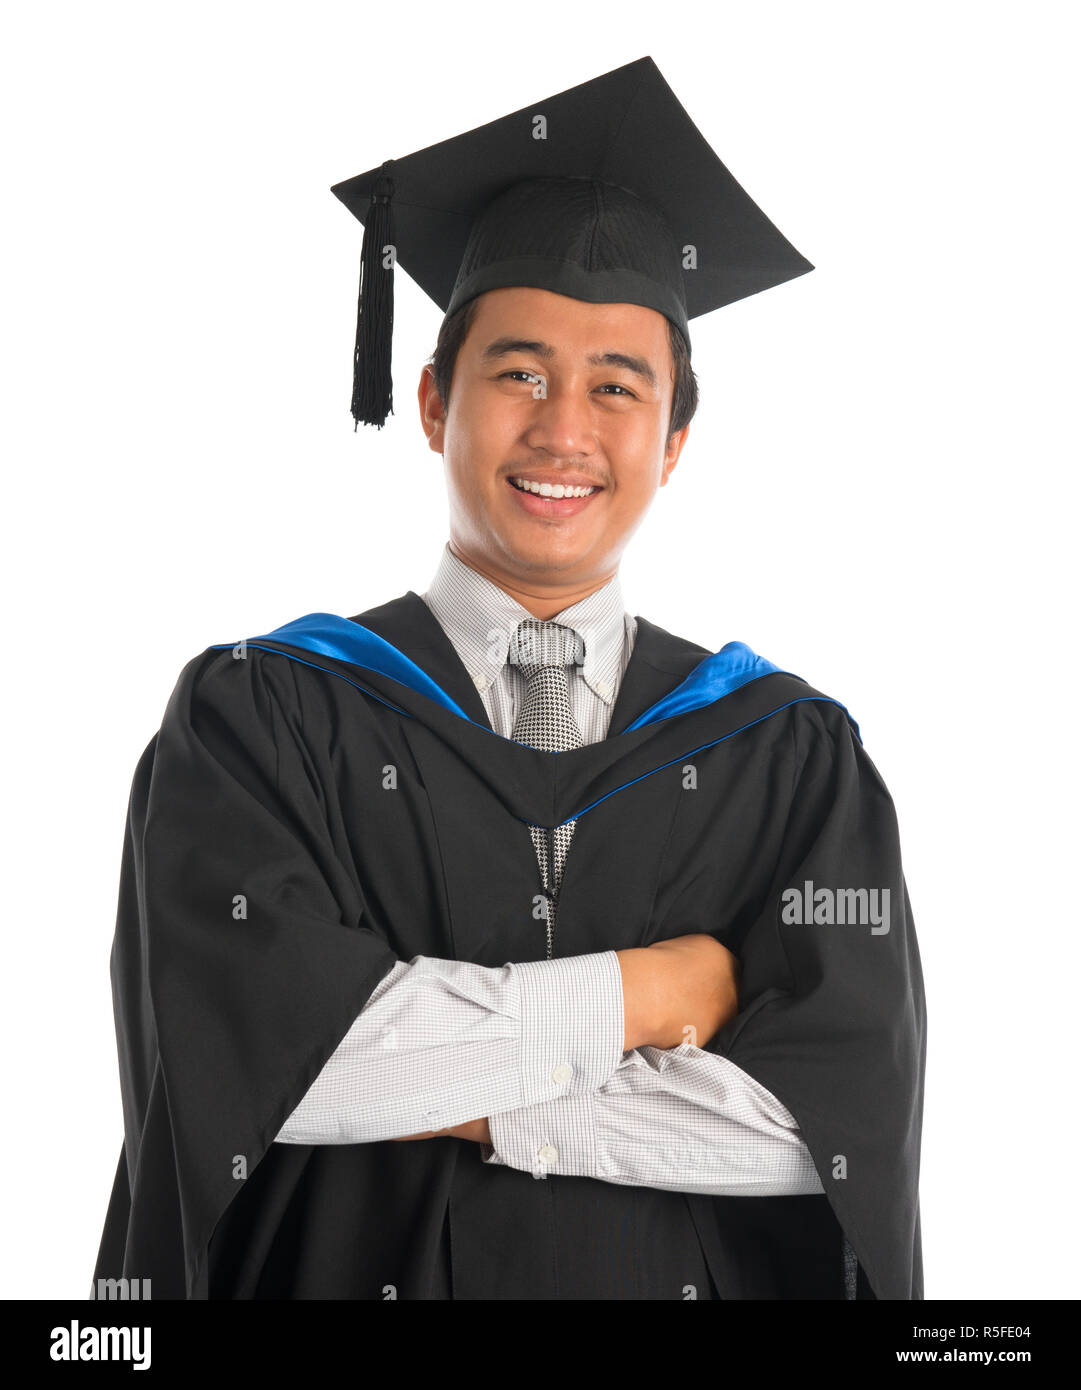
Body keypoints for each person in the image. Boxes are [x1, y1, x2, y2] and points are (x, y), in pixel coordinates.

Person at [93, 56, 925, 1301]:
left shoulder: (787, 758)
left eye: (614, 387)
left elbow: (816, 1141)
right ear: (433, 402)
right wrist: (646, 995)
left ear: (673, 442)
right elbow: (272, 1069)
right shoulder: (263, 720)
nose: (563, 430)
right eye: (518, 374)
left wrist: (470, 1097)